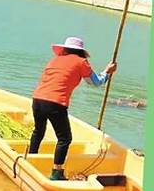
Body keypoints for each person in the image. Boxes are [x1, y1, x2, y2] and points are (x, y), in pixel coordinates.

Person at [29, 37, 117, 180]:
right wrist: (107, 71)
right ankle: (57, 173)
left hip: (37, 99)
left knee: (38, 131)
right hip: (55, 102)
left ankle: (30, 161)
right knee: (65, 138)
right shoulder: (81, 62)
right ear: (81, 52)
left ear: (65, 49)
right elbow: (95, 82)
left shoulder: (54, 60)